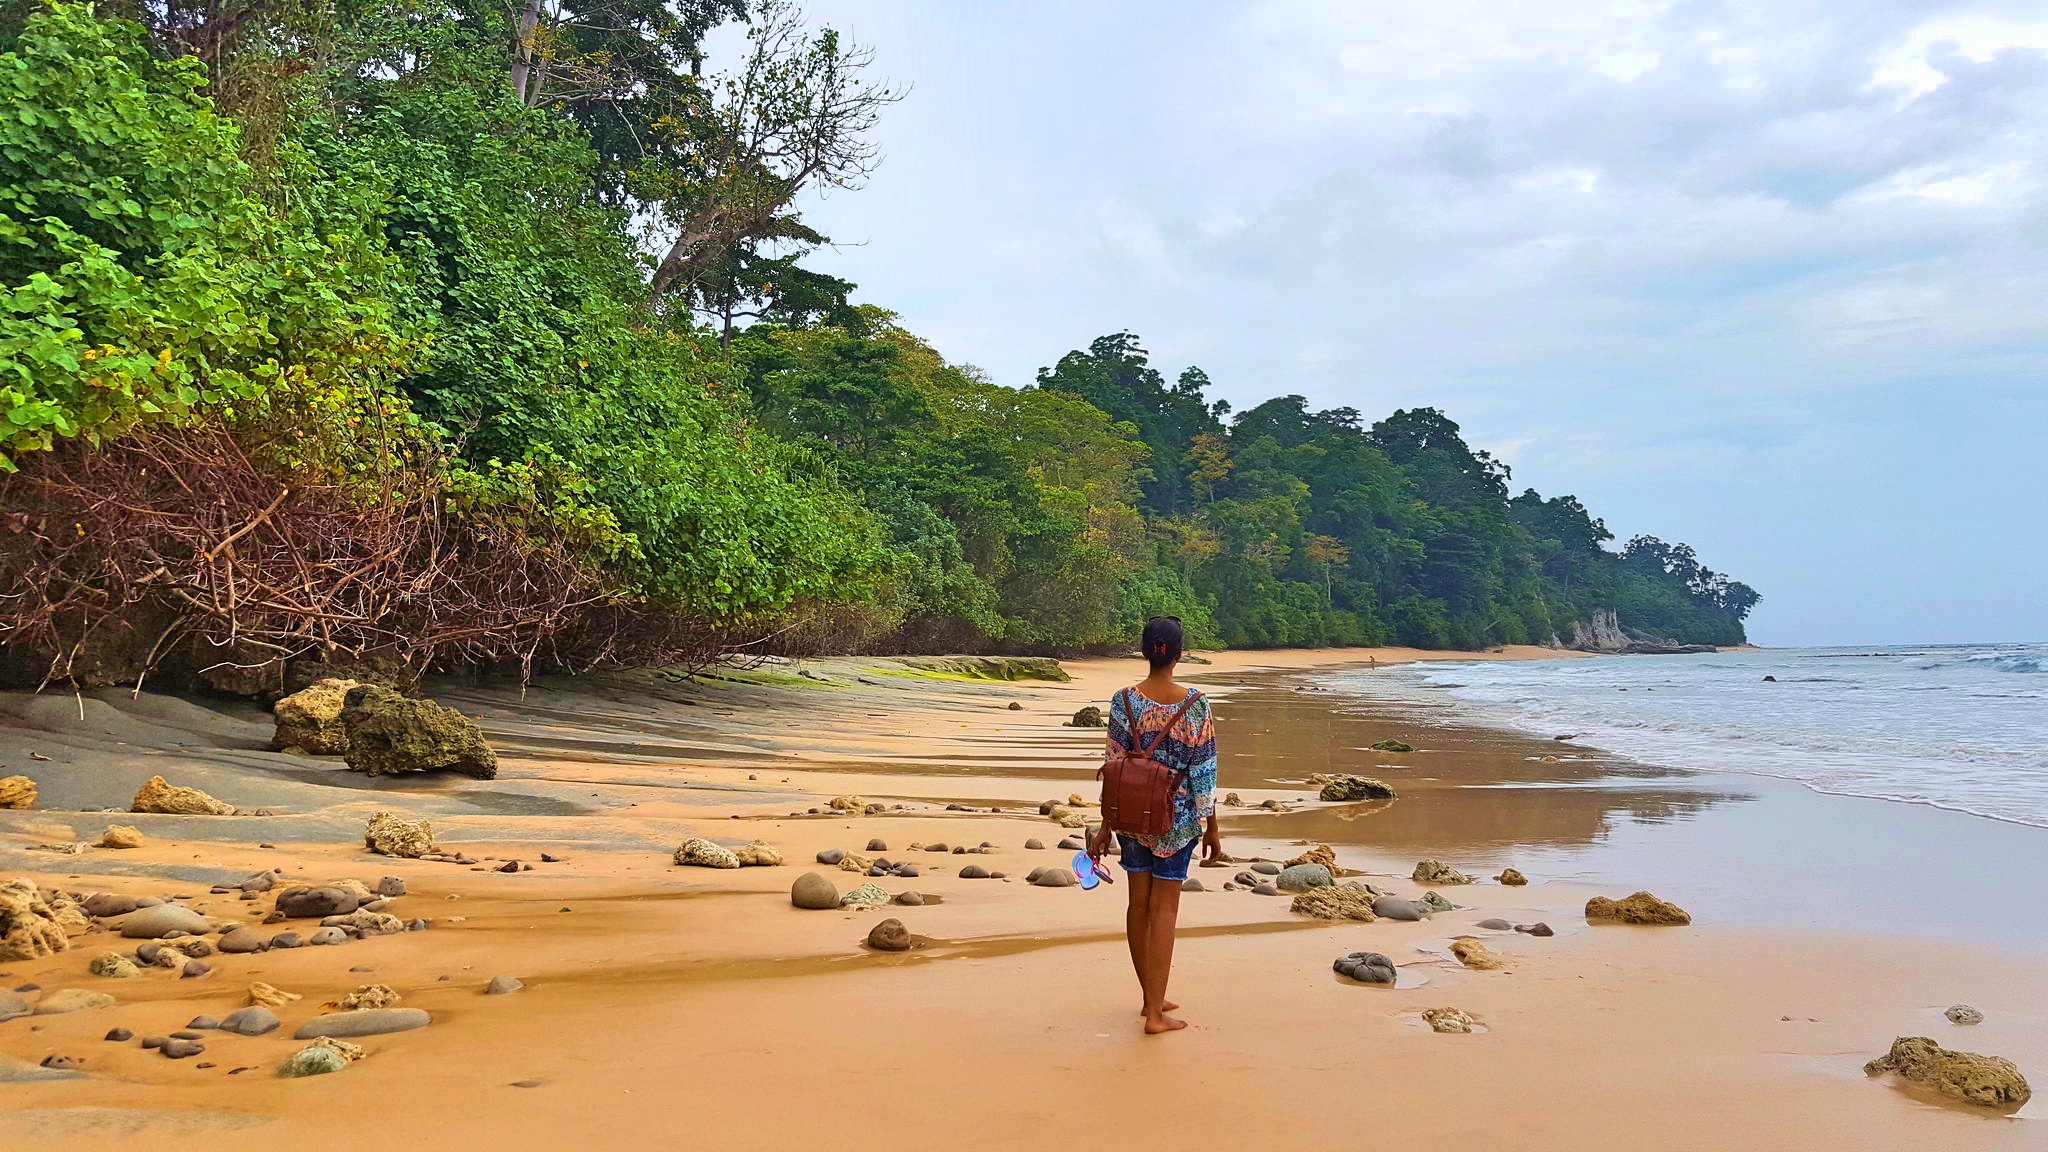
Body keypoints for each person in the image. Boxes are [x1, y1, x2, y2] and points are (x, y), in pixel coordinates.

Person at [1089, 615, 1220, 1035]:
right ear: (1179, 655)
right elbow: (1204, 772)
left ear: (1145, 651)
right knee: (1165, 911)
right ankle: (1153, 1015)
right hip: (1176, 820)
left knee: (1138, 906)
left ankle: (1152, 997)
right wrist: (1212, 827)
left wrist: (1105, 825)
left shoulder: (1123, 699)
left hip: (1130, 817)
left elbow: (1113, 765)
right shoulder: (1196, 704)